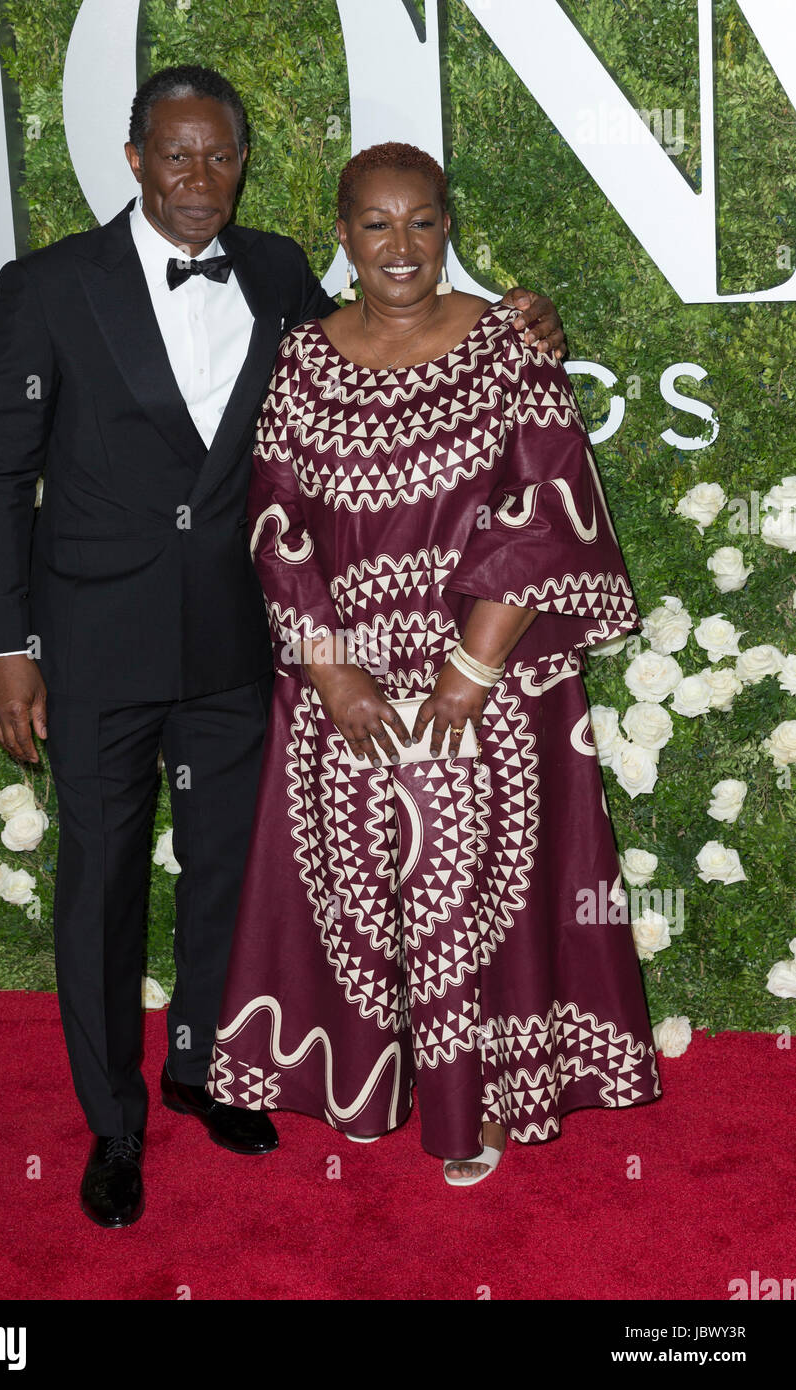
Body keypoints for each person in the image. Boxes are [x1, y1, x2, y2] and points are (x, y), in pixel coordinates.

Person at [0, 66, 566, 1226]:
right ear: (133, 159)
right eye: (177, 154)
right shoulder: (45, 286)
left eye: (221, 155)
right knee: (102, 885)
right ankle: (113, 1122)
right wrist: (6, 645)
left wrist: (531, 312)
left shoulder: (283, 269)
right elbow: (1, 477)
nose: (201, 177)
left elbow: (391, 339)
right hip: (91, 641)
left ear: (245, 161)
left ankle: (203, 1064)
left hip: (239, 642)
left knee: (233, 873)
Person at [207, 142, 661, 1185]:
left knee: (479, 897)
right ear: (342, 232)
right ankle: (366, 1078)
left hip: (487, 685)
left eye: (422, 220)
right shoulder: (305, 357)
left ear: (448, 223)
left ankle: (483, 1102)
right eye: (376, 222)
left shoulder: (508, 344)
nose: (400, 245)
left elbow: (543, 500)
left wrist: (470, 665)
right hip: (349, 687)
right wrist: (328, 669)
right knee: (359, 897)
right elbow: (276, 519)